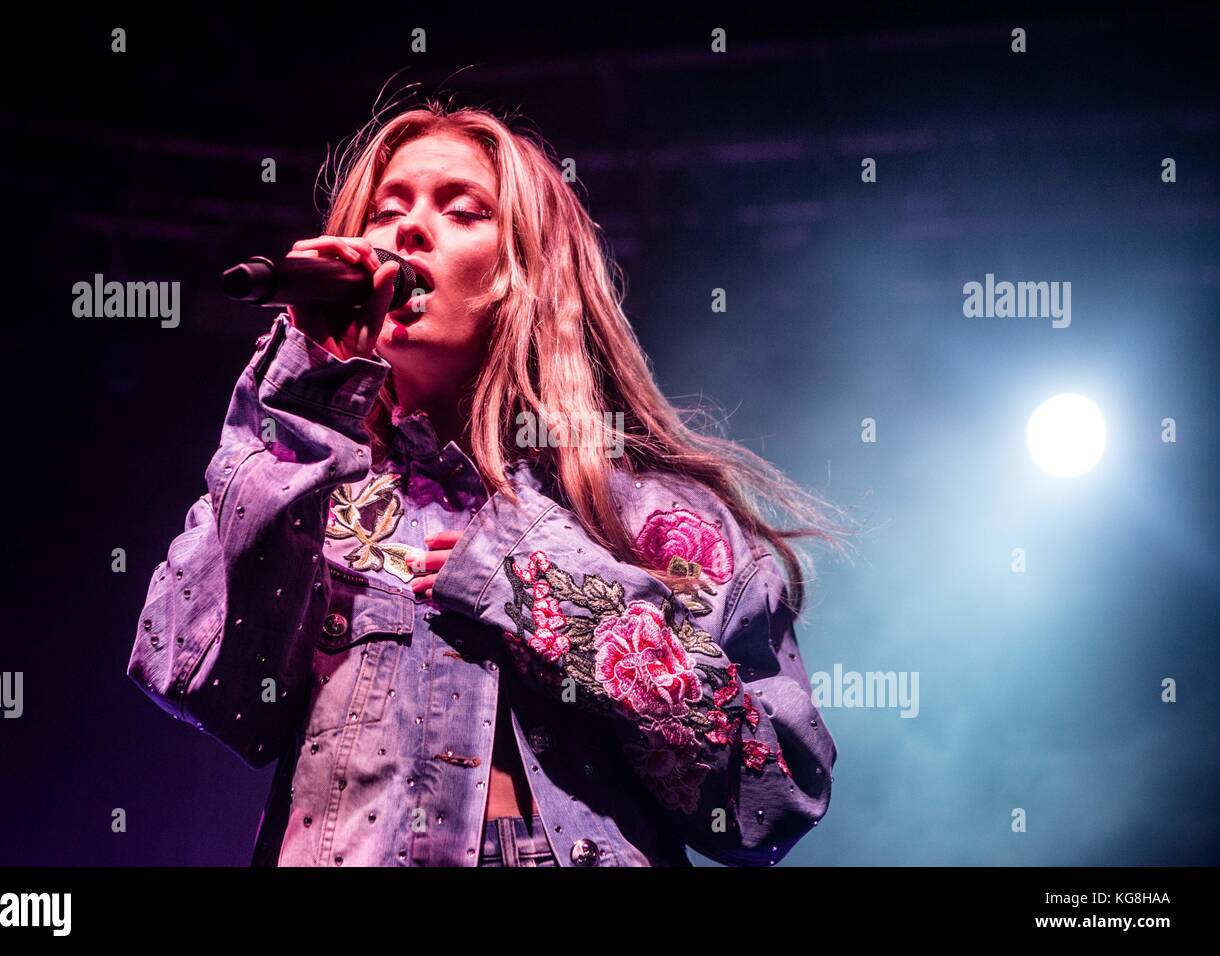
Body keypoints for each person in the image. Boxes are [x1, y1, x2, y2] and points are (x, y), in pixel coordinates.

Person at [128, 99, 854, 867]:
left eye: (463, 210)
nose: (407, 231)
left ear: (524, 277)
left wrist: (548, 587)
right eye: (387, 209)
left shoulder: (652, 519)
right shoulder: (311, 488)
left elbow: (769, 803)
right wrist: (305, 398)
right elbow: (188, 674)